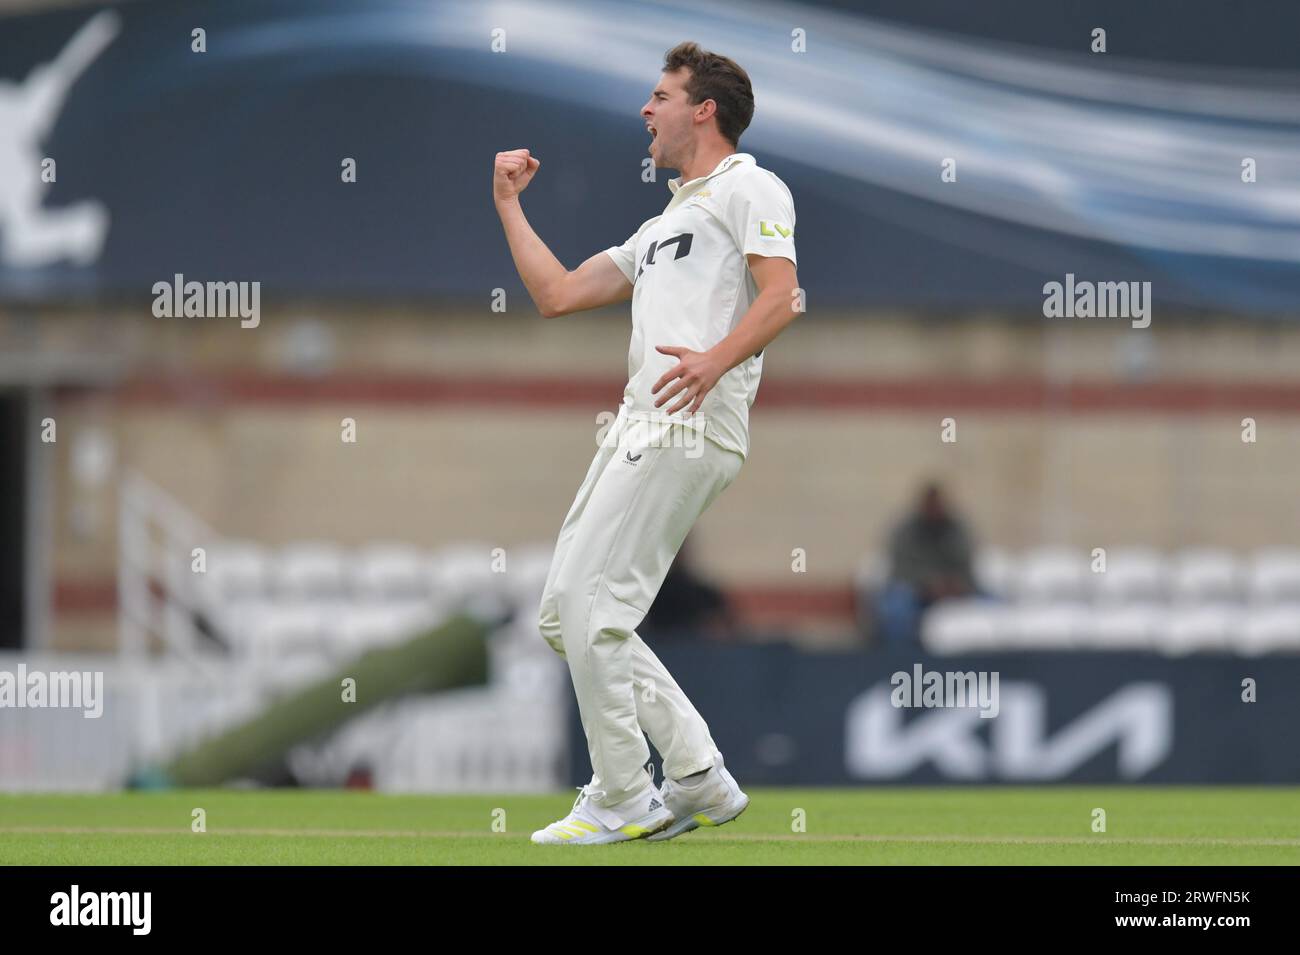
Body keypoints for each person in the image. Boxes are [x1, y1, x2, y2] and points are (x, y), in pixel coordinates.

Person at [493, 41, 800, 845]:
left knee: (593, 611)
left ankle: (623, 793)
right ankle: (697, 773)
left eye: (660, 95)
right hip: (640, 423)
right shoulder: (664, 223)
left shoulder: (751, 187)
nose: (645, 108)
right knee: (568, 614)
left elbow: (782, 297)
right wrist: (508, 205)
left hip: (684, 419)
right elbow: (557, 293)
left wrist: (712, 360)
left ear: (704, 110)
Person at [877, 483, 978, 646]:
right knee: (896, 606)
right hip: (916, 592)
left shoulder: (957, 530)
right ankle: (901, 660)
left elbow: (966, 566)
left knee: (991, 602)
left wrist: (954, 585)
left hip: (954, 590)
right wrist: (928, 585)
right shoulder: (905, 531)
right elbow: (901, 569)